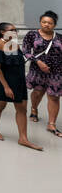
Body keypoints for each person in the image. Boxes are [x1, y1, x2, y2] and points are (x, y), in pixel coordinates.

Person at [0, 22, 42, 150]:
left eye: (15, 29)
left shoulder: (13, 44)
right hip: (3, 81)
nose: (15, 31)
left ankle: (23, 138)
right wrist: (6, 87)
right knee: (0, 104)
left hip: (18, 80)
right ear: (2, 32)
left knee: (22, 108)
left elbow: (15, 63)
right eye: (12, 30)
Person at [22, 10, 62, 138]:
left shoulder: (59, 37)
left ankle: (51, 124)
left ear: (54, 25)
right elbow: (25, 50)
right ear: (40, 22)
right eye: (44, 22)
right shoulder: (32, 35)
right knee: (38, 92)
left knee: (54, 96)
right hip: (38, 69)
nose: (46, 25)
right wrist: (37, 61)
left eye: (50, 23)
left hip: (56, 72)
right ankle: (34, 109)